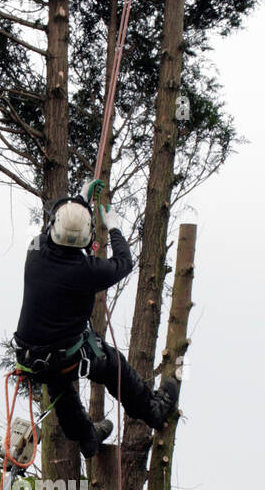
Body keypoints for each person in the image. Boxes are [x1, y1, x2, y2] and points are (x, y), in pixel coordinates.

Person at [13, 190, 179, 458]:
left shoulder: (35, 250)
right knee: (112, 363)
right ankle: (152, 411)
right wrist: (113, 227)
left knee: (60, 385)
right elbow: (124, 261)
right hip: (63, 356)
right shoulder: (86, 271)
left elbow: (52, 224)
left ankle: (86, 436)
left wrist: (79, 199)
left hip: (30, 357)